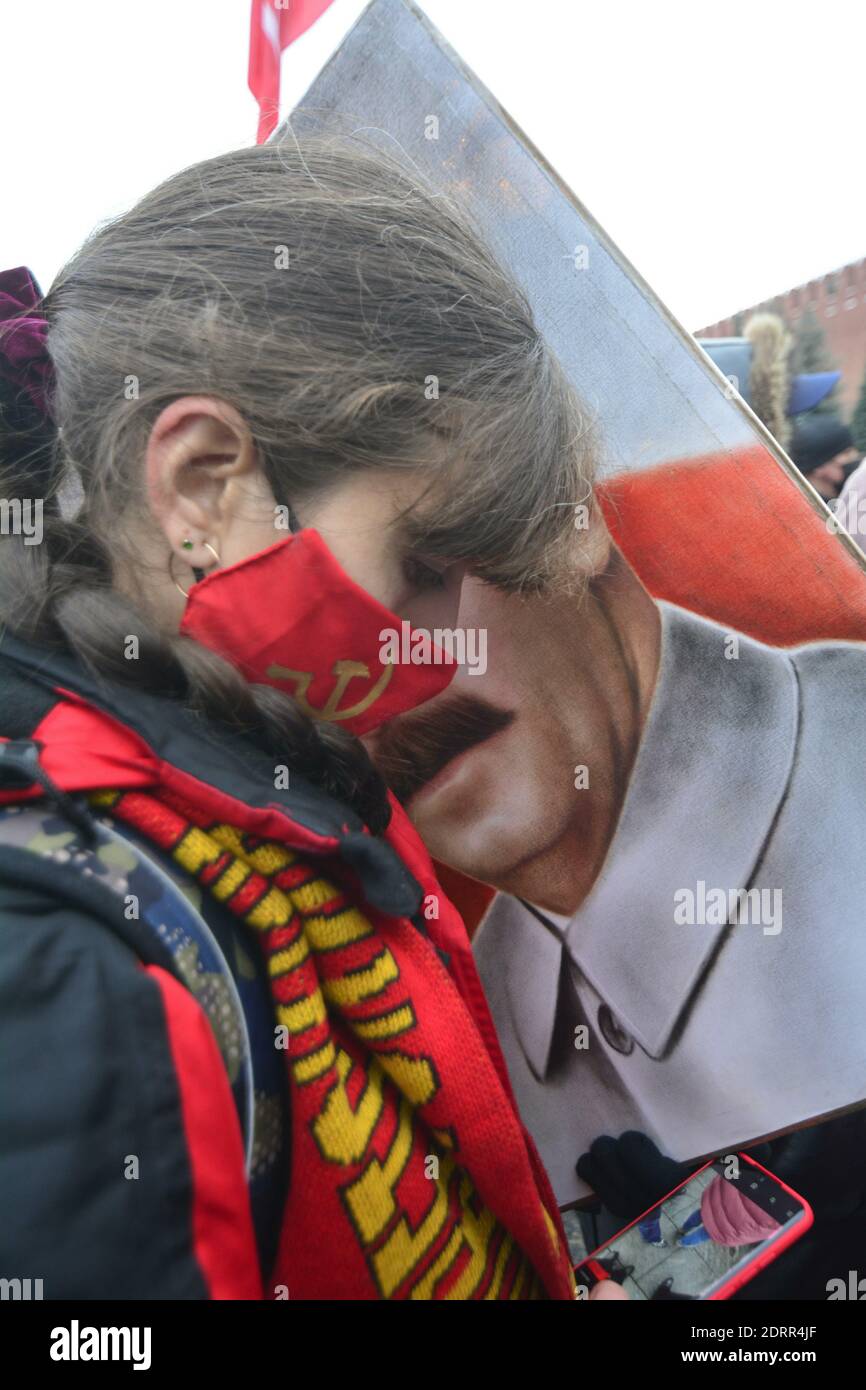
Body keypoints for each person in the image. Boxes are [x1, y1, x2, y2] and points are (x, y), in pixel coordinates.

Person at [0, 133, 621, 1301]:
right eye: (424, 562)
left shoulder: (263, 775)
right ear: (202, 485)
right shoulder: (57, 964)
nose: (440, 651)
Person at [369, 501, 866, 1205]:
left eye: (418, 579)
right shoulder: (466, 1050)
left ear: (563, 514)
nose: (382, 688)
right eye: (294, 666)